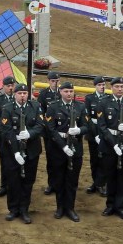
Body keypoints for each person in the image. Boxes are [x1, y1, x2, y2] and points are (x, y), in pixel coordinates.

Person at [0, 83, 45, 223]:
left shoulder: (35, 107)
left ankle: (24, 209)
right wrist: (16, 151)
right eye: (20, 93)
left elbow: (40, 125)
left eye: (25, 93)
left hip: (31, 149)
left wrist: (29, 133)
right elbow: (6, 130)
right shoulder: (7, 108)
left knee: (28, 181)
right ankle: (13, 209)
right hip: (12, 150)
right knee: (13, 180)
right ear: (15, 95)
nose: (23, 96)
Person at [44, 82, 88, 222]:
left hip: (75, 147)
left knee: (72, 180)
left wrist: (79, 130)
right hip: (58, 148)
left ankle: (70, 208)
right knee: (59, 179)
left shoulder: (80, 106)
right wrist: (63, 146)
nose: (69, 94)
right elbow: (50, 129)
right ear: (60, 92)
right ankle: (60, 207)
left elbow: (88, 126)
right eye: (66, 91)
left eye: (71, 91)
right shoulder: (53, 107)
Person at [96, 77, 123, 221]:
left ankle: (120, 206)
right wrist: (113, 144)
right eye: (117, 86)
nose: (120, 89)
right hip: (109, 144)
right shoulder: (103, 103)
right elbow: (102, 127)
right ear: (111, 88)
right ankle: (110, 204)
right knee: (111, 175)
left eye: (122, 86)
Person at [0, 76, 16, 198]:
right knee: (4, 162)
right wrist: (7, 133)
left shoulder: (18, 99)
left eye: (12, 85)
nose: (10, 88)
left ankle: (14, 185)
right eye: (8, 86)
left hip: (17, 136)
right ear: (3, 87)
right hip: (3, 137)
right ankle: (4, 185)